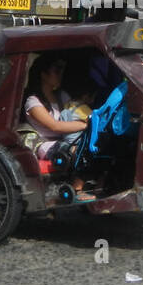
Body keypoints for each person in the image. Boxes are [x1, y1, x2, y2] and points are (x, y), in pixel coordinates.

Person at [23, 54, 93, 201]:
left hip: (67, 138)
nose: (60, 75)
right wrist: (85, 124)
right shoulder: (32, 102)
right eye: (56, 71)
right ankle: (77, 189)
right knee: (78, 151)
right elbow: (54, 126)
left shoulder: (62, 96)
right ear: (43, 74)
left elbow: (78, 111)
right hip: (46, 144)